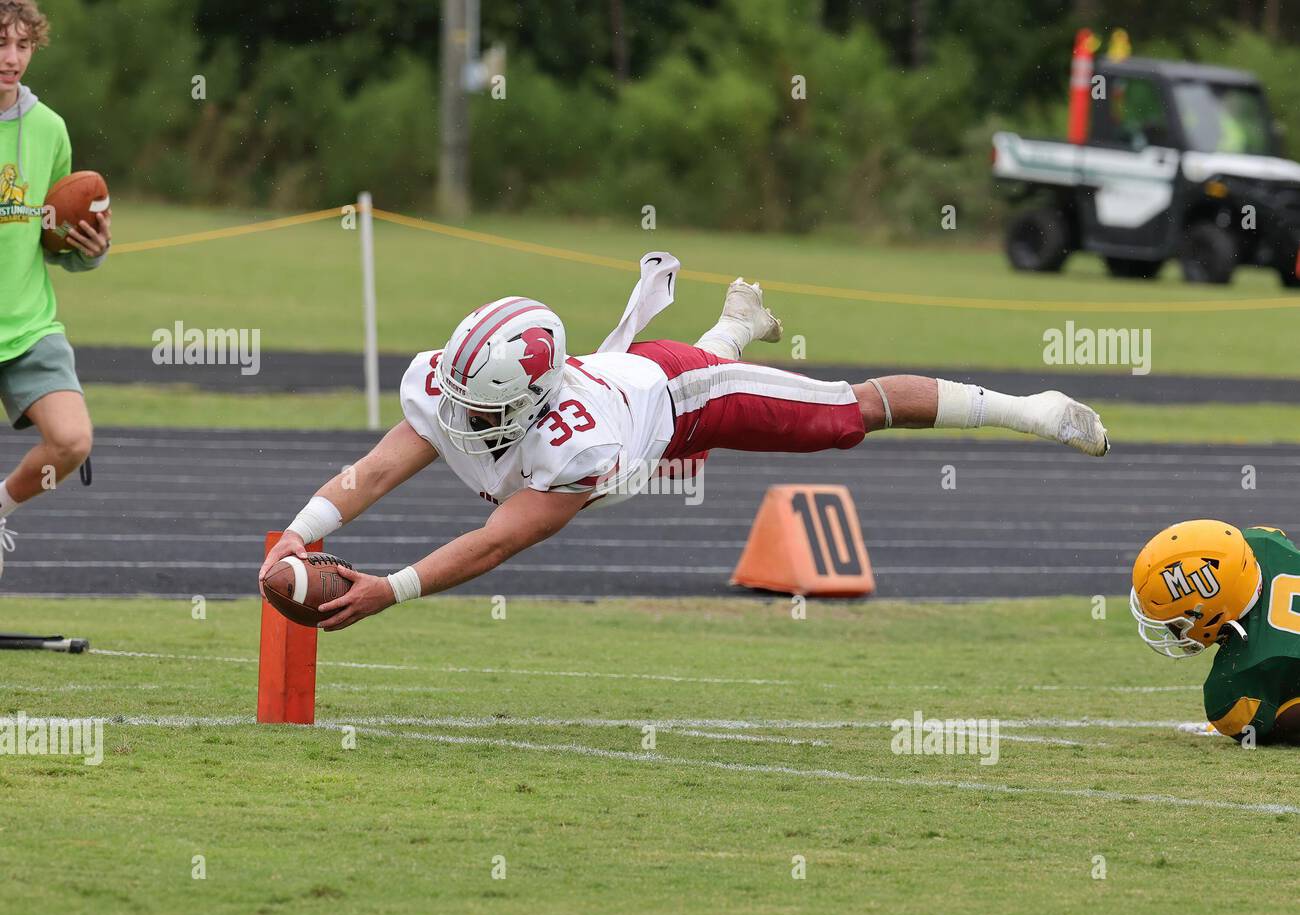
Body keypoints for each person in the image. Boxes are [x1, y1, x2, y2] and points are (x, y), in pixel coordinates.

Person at [260, 264, 1110, 630]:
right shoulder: (461, 387)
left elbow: (498, 539)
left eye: (480, 410)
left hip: (679, 400)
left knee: (846, 415)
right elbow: (373, 470)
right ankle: (735, 325)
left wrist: (391, 590)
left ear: (532, 398)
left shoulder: (573, 443)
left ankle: (1029, 409)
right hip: (629, 383)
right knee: (701, 364)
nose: (459, 421)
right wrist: (301, 531)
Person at [0, 0, 111, 579]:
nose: (11, 58)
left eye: (22, 45)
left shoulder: (48, 129)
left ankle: (0, 509)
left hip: (28, 326)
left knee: (71, 441)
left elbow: (55, 236)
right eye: (1, 44)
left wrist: (89, 250)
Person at [1130, 519, 1300, 743]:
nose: (1170, 628)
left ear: (1209, 611)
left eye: (1173, 621)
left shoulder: (1231, 686)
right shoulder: (1262, 541)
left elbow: (1283, 734)